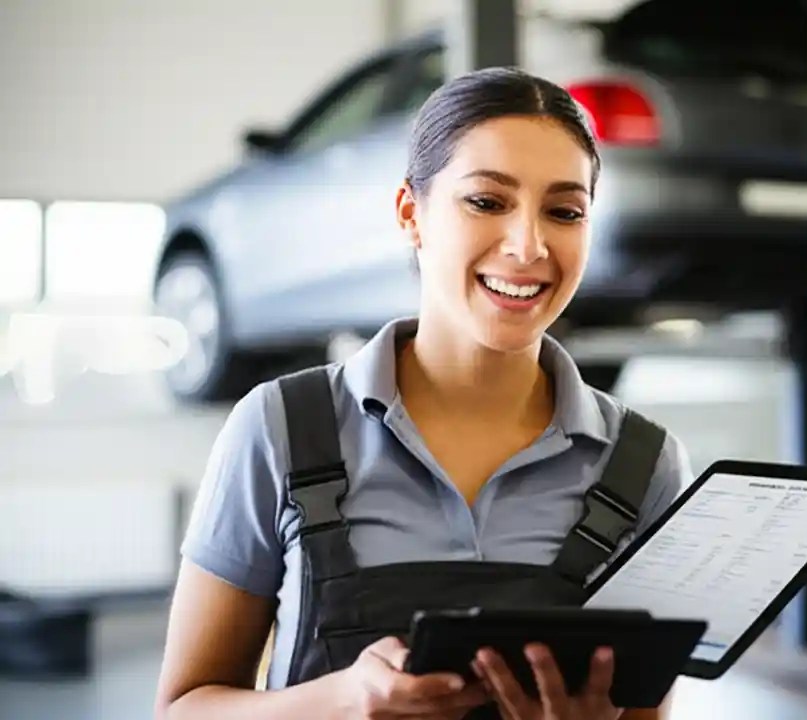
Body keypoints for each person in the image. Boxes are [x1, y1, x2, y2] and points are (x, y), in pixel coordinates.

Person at [155, 67, 692, 720]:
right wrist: (342, 700)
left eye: (564, 211)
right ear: (412, 213)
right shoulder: (280, 428)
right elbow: (184, 709)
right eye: (487, 202)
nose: (528, 245)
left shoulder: (643, 465)